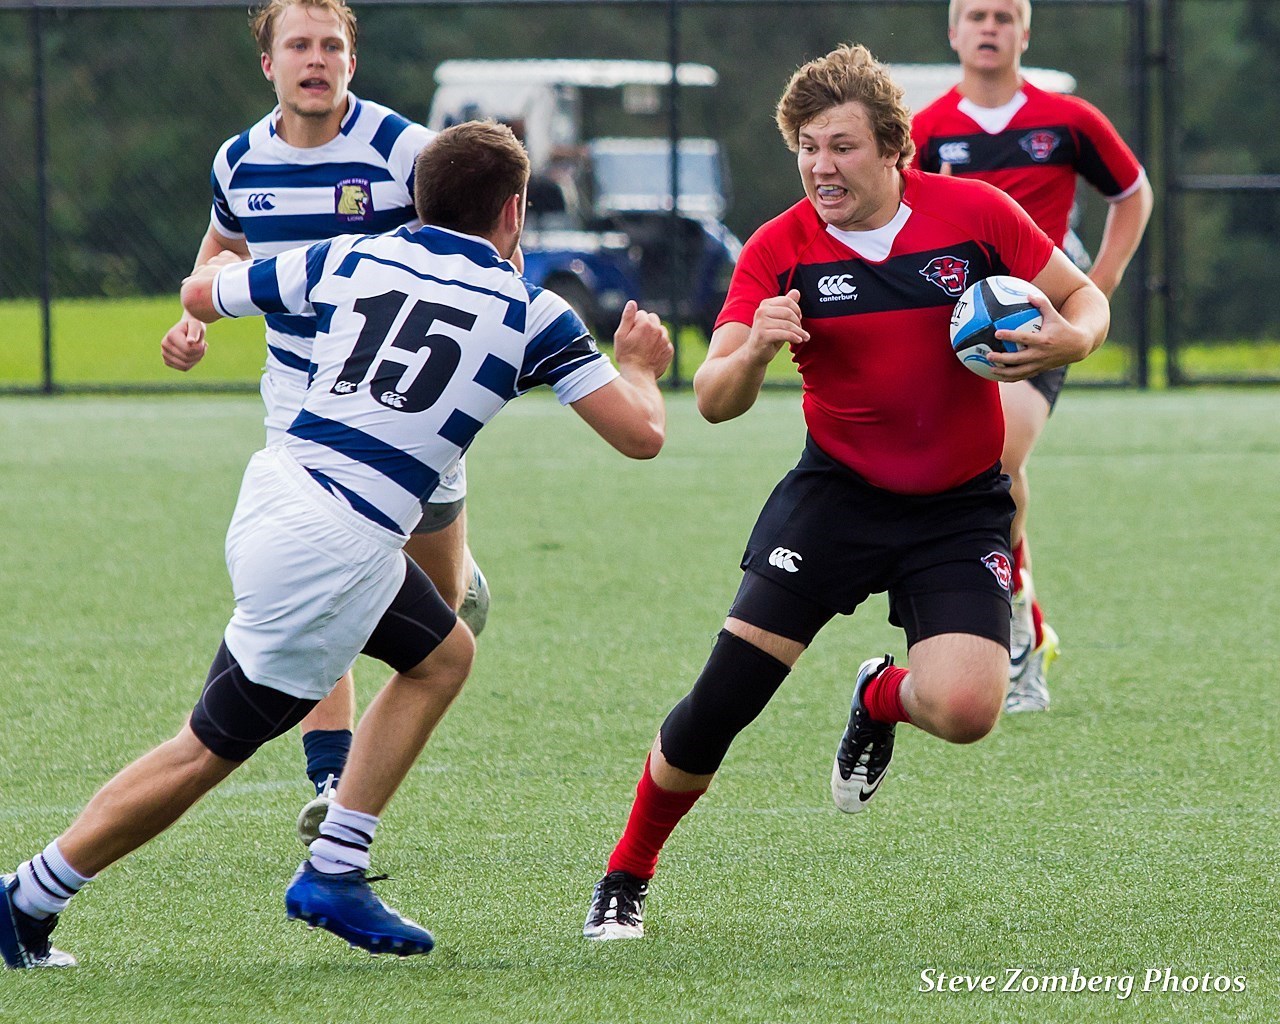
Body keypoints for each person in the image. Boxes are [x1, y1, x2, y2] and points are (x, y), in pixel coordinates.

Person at [2, 119, 672, 969]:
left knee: (443, 655)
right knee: (204, 751)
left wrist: (204, 301)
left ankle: (337, 863)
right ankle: (29, 894)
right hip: (338, 546)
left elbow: (205, 291)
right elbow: (641, 436)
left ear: (419, 200)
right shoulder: (532, 313)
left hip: (280, 494)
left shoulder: (353, 257)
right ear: (515, 211)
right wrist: (641, 364)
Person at [581, 43, 1110, 941]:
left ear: (893, 149)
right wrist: (751, 350)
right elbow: (712, 400)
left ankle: (878, 697)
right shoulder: (779, 249)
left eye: (841, 147)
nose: (821, 167)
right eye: (807, 148)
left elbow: (1083, 300)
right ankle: (625, 875)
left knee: (969, 711)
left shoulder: (976, 214)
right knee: (722, 703)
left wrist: (1071, 342)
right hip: (838, 498)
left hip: (958, 505)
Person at [159, 0, 492, 840]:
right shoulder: (238, 160)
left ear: (353, 59)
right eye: (298, 45)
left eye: (332, 46)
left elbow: (471, 247)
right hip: (302, 401)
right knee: (331, 580)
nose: (317, 59)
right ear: (267, 62)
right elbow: (223, 247)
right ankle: (336, 776)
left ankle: (454, 587)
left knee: (440, 600)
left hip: (405, 399)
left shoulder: (402, 152)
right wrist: (198, 316)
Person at [911, 0, 1153, 712]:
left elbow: (1132, 193)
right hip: (947, 328)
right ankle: (1005, 614)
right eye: (976, 15)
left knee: (998, 457)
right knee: (959, 474)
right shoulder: (927, 131)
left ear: (1025, 32)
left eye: (1005, 15)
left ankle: (1015, 630)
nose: (990, 27)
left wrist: (1096, 286)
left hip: (1034, 323)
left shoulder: (1069, 119)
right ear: (954, 32)